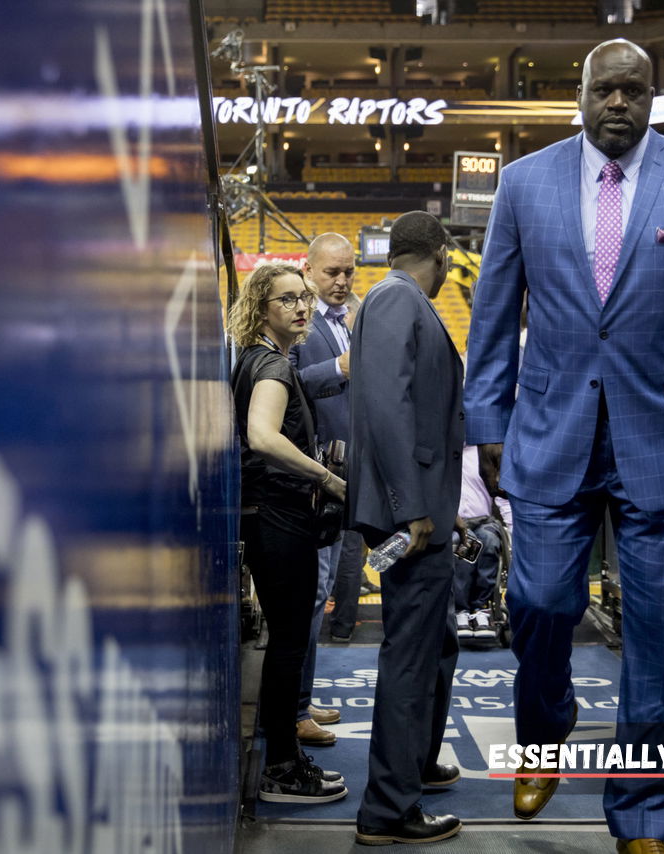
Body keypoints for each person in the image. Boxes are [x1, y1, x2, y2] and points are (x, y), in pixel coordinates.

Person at [462, 39, 664, 854]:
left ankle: (642, 815)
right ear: (583, 95)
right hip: (548, 436)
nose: (620, 104)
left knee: (662, 637)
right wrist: (486, 422)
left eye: (635, 91)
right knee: (539, 604)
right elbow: (493, 315)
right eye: (607, 91)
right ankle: (544, 731)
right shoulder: (525, 183)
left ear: (653, 97)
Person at [347, 211, 464, 846]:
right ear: (440, 254)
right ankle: (388, 811)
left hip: (427, 511)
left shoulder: (397, 300)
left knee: (433, 646)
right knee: (411, 660)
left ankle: (413, 766)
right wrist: (412, 506)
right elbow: (389, 411)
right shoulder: (397, 299)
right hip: (411, 516)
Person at [228, 262, 348, 805]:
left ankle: (284, 758)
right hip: (278, 516)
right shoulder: (272, 367)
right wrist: (327, 479)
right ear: (263, 308)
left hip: (269, 515)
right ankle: (280, 767)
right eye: (286, 299)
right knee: (289, 644)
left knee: (288, 642)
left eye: (304, 297)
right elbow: (262, 437)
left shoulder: (260, 359)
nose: (301, 307)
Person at [289, 233, 361, 747]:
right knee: (311, 594)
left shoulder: (345, 321)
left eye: (348, 272)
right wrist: (338, 367)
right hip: (311, 476)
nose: (340, 281)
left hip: (339, 474)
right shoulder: (300, 320)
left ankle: (302, 698)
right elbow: (285, 380)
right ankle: (293, 709)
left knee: (322, 591)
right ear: (309, 270)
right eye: (331, 272)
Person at [454, 444, 509, 641]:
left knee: (490, 541)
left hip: (485, 521)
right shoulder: (446, 452)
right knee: (467, 545)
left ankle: (481, 606)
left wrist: (511, 527)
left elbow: (502, 495)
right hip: (456, 524)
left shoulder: (485, 453)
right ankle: (461, 609)